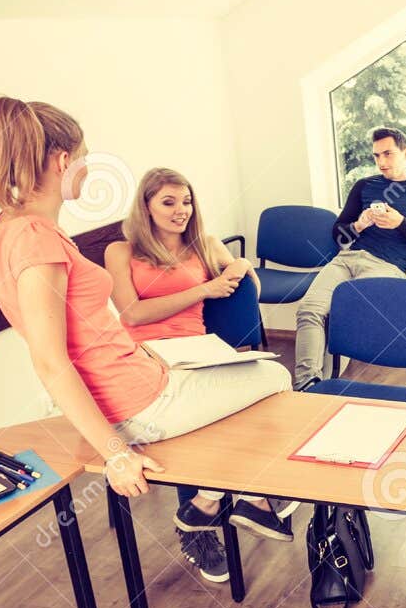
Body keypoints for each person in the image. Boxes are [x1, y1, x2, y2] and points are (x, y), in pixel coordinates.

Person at [0, 97, 286, 583]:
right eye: (85, 156)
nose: (86, 169)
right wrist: (116, 454)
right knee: (276, 374)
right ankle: (234, 499)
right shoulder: (40, 240)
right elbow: (50, 360)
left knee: (218, 375)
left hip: (132, 380)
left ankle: (224, 501)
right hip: (134, 403)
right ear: (64, 162)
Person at [104, 166, 299, 544]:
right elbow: (131, 313)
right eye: (168, 202)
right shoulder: (121, 251)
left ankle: (210, 500)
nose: (182, 210)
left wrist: (239, 266)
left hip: (197, 350)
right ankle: (248, 496)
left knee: (265, 388)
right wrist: (203, 290)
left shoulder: (204, 244)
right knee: (262, 389)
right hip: (146, 354)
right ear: (145, 207)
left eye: (187, 201)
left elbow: (247, 288)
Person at [293, 127, 406, 388]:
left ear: (405, 152)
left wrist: (400, 223)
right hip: (347, 259)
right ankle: (307, 387)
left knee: (344, 316)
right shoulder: (364, 186)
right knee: (309, 310)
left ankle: (330, 382)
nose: (382, 162)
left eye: (388, 154)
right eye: (376, 156)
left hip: (386, 265)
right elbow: (337, 234)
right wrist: (359, 225)